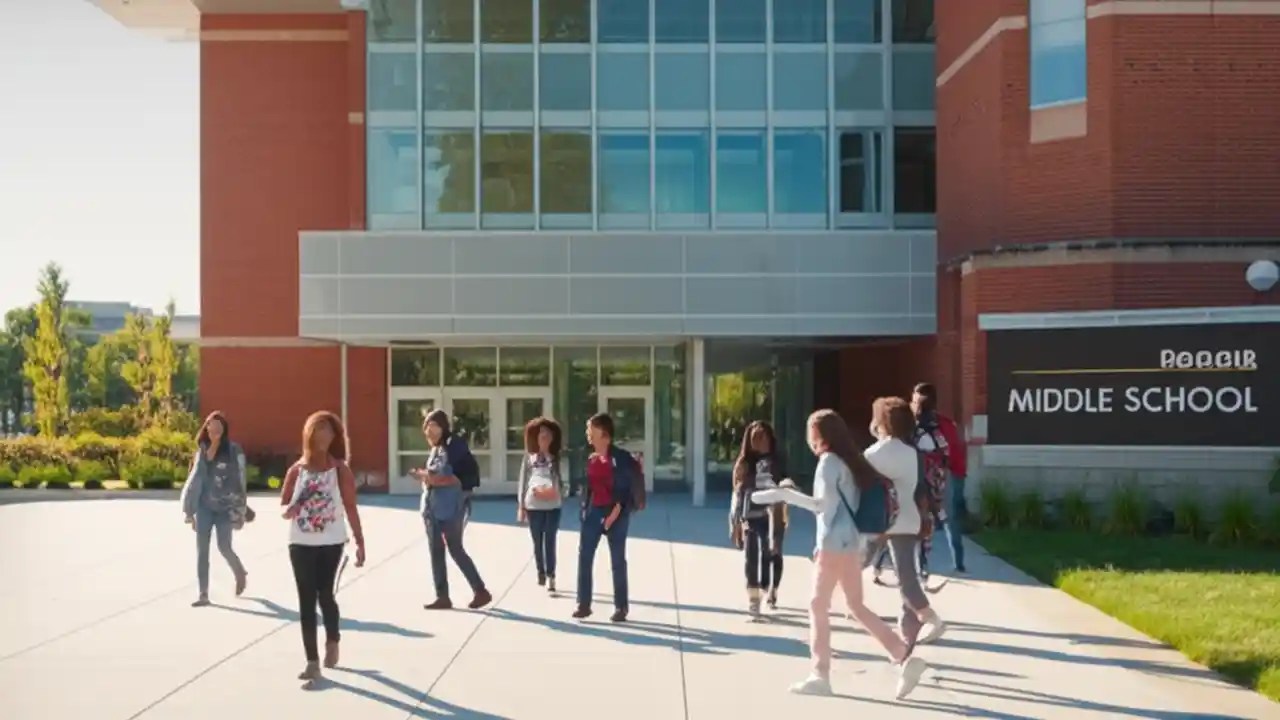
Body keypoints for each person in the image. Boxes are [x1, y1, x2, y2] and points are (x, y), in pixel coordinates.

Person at [751, 409, 926, 700]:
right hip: (851, 543)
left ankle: (820, 674)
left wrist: (784, 495)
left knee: (818, 605)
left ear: (819, 436)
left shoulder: (828, 464)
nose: (809, 439)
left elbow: (824, 507)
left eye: (811, 433)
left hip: (833, 544)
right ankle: (903, 656)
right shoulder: (849, 461)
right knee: (855, 606)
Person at [279, 411, 366, 686]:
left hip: (331, 542)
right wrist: (290, 508)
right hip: (300, 542)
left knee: (325, 595)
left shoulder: (340, 469)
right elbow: (284, 505)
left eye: (328, 431)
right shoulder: (296, 470)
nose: (323, 436)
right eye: (318, 431)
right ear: (308, 434)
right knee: (305, 600)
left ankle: (333, 638)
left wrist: (360, 541)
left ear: (335, 436)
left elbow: (350, 506)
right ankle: (312, 663)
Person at [864, 397, 947, 650]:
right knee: (906, 573)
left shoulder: (874, 453)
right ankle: (909, 635)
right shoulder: (913, 453)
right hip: (908, 520)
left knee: (858, 561)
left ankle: (930, 617)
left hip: (880, 522)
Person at [417, 409, 492, 611]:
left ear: (443, 427)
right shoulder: (437, 449)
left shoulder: (454, 446)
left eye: (433, 426)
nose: (428, 431)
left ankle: (480, 590)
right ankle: (442, 596)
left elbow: (456, 477)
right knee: (436, 550)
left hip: (451, 506)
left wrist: (431, 479)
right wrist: (426, 477)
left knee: (454, 547)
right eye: (426, 427)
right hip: (434, 507)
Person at [573, 413, 640, 623]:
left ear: (604, 434)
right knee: (585, 556)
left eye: (591, 431)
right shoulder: (591, 458)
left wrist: (613, 515)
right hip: (594, 512)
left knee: (617, 560)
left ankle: (621, 607)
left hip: (616, 514)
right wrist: (585, 509)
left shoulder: (621, 459)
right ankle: (584, 604)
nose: (588, 436)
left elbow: (625, 490)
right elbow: (589, 487)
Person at [180, 411, 249, 607]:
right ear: (207, 427)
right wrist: (189, 512)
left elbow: (240, 479)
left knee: (224, 546)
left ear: (224, 429)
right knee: (202, 550)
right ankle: (203, 594)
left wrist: (240, 508)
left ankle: (239, 572)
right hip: (204, 508)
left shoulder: (233, 450)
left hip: (225, 508)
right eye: (212, 424)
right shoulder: (201, 451)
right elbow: (193, 482)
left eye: (220, 425)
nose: (216, 428)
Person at [728, 420, 787, 619]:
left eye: (764, 438)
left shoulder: (778, 461)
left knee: (772, 554)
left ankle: (771, 589)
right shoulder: (744, 464)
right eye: (756, 438)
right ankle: (754, 599)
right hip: (750, 515)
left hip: (774, 515)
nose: (760, 442)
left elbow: (788, 482)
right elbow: (736, 494)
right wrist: (734, 522)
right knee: (751, 555)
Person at [913, 382, 967, 574]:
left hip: (916, 476)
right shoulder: (945, 424)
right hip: (943, 476)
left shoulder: (911, 425)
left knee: (913, 519)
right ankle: (958, 563)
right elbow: (953, 451)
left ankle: (885, 562)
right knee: (949, 519)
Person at [516, 416, 568, 593]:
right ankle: (541, 572)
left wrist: (555, 491)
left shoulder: (557, 459)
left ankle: (551, 575)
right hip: (533, 506)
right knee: (537, 541)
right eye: (541, 435)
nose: (544, 438)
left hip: (553, 506)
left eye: (548, 435)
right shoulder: (529, 459)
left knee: (550, 541)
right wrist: (521, 506)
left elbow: (565, 484)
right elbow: (523, 482)